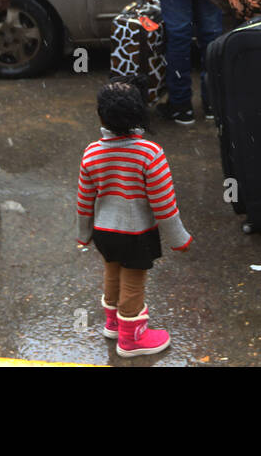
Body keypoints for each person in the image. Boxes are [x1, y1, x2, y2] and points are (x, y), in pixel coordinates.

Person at [76, 79, 192, 357]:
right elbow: (164, 206)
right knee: (133, 280)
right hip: (136, 234)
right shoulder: (149, 154)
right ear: (140, 114)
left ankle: (113, 323)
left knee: (112, 271)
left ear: (101, 115)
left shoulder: (91, 153)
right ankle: (132, 339)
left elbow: (84, 203)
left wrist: (83, 234)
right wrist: (179, 238)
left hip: (104, 232)